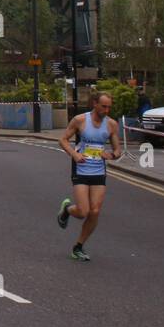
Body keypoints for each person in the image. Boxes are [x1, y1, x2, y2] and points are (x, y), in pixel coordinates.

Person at [56, 91, 122, 261]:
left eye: (109, 107)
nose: (106, 110)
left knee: (95, 211)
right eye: (103, 106)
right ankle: (67, 210)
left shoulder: (112, 124)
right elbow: (63, 140)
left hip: (99, 170)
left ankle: (78, 246)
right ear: (95, 103)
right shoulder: (80, 120)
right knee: (82, 211)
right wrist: (74, 154)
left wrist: (112, 155)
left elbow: (118, 150)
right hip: (81, 169)